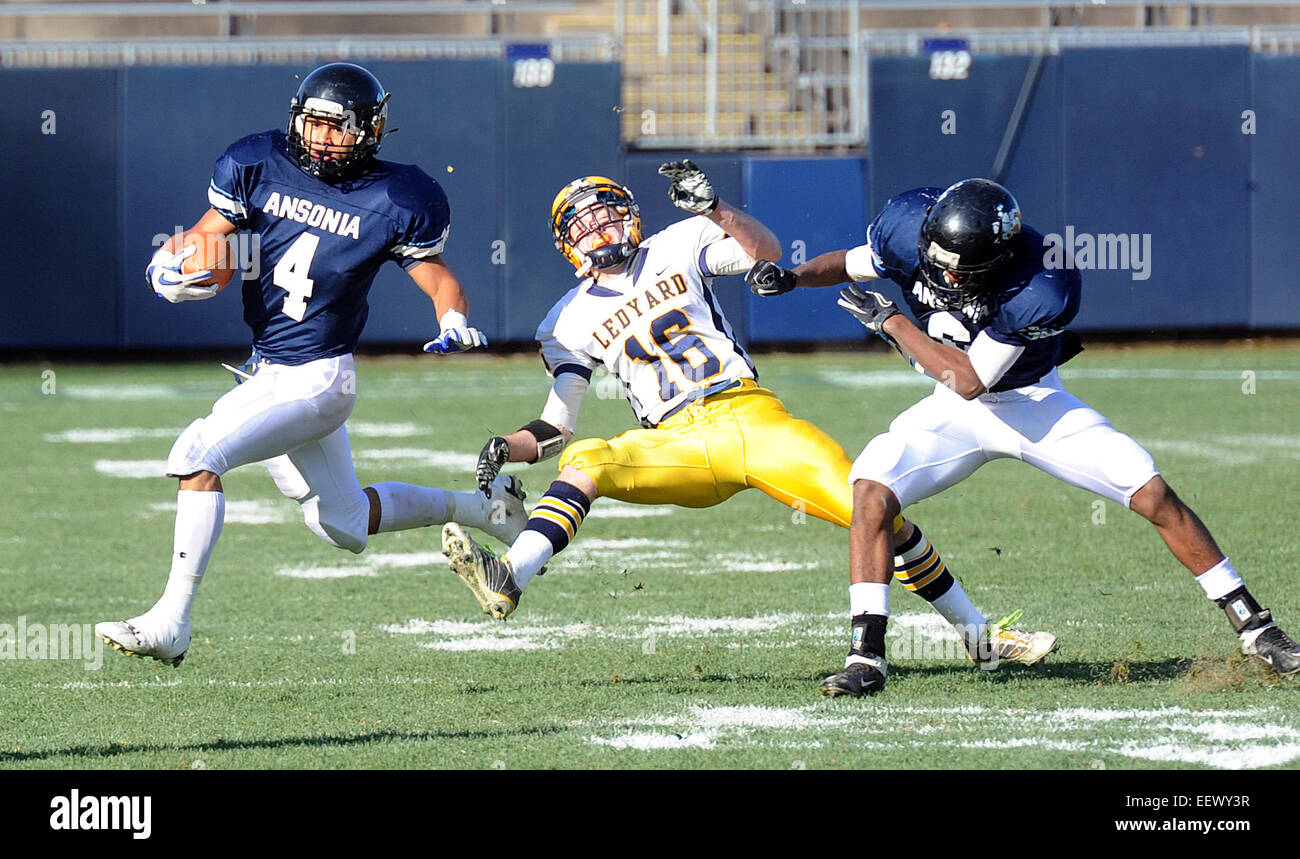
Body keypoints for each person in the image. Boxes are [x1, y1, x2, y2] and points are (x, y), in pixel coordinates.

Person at [439, 162, 1056, 689]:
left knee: (877, 513)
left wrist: (716, 207)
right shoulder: (565, 321)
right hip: (673, 440)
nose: (601, 227)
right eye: (585, 222)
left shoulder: (680, 242)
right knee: (590, 460)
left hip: (752, 416)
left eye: (607, 213)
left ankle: (979, 638)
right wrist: (506, 446)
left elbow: (766, 253)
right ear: (568, 242)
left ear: (629, 215)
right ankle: (509, 577)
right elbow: (557, 426)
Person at [746, 177, 1300, 694]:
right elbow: (848, 263)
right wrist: (794, 278)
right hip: (954, 414)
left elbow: (968, 380)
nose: (945, 277)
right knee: (870, 489)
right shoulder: (910, 226)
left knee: (1148, 488)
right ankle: (866, 656)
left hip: (1027, 401)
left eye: (961, 270)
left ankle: (1254, 625)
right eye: (936, 262)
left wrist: (892, 322)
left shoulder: (1043, 281)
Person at [96, 62, 527, 667]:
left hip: (321, 377)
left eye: (338, 127)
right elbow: (205, 237)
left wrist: (451, 318)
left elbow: (440, 279)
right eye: (314, 123)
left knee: (196, 455)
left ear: (371, 130)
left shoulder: (398, 195)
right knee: (344, 525)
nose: (323, 137)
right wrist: (169, 268)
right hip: (268, 369)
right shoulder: (256, 162)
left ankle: (171, 622)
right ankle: (488, 509)